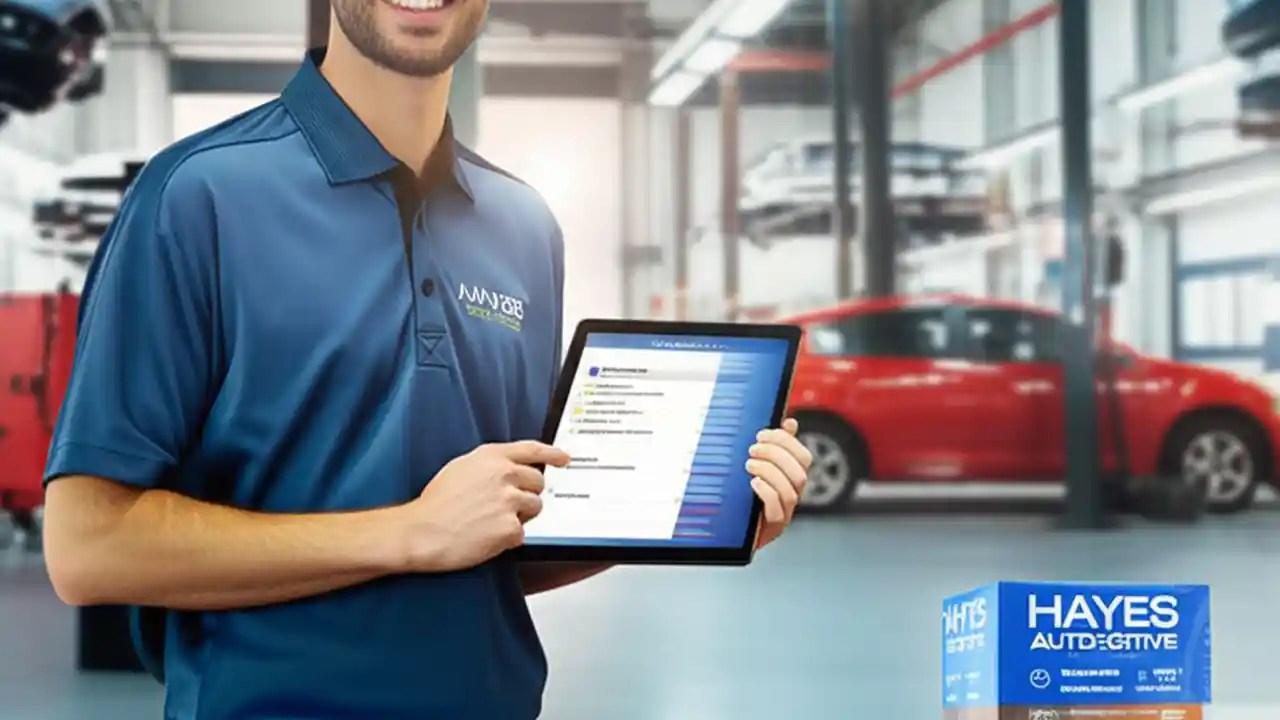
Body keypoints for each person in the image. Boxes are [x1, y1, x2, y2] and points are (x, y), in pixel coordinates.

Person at [40, 0, 813, 718]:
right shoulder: (197, 194)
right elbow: (90, 548)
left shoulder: (524, 226)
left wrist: (703, 514)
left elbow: (492, 545)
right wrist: (408, 532)